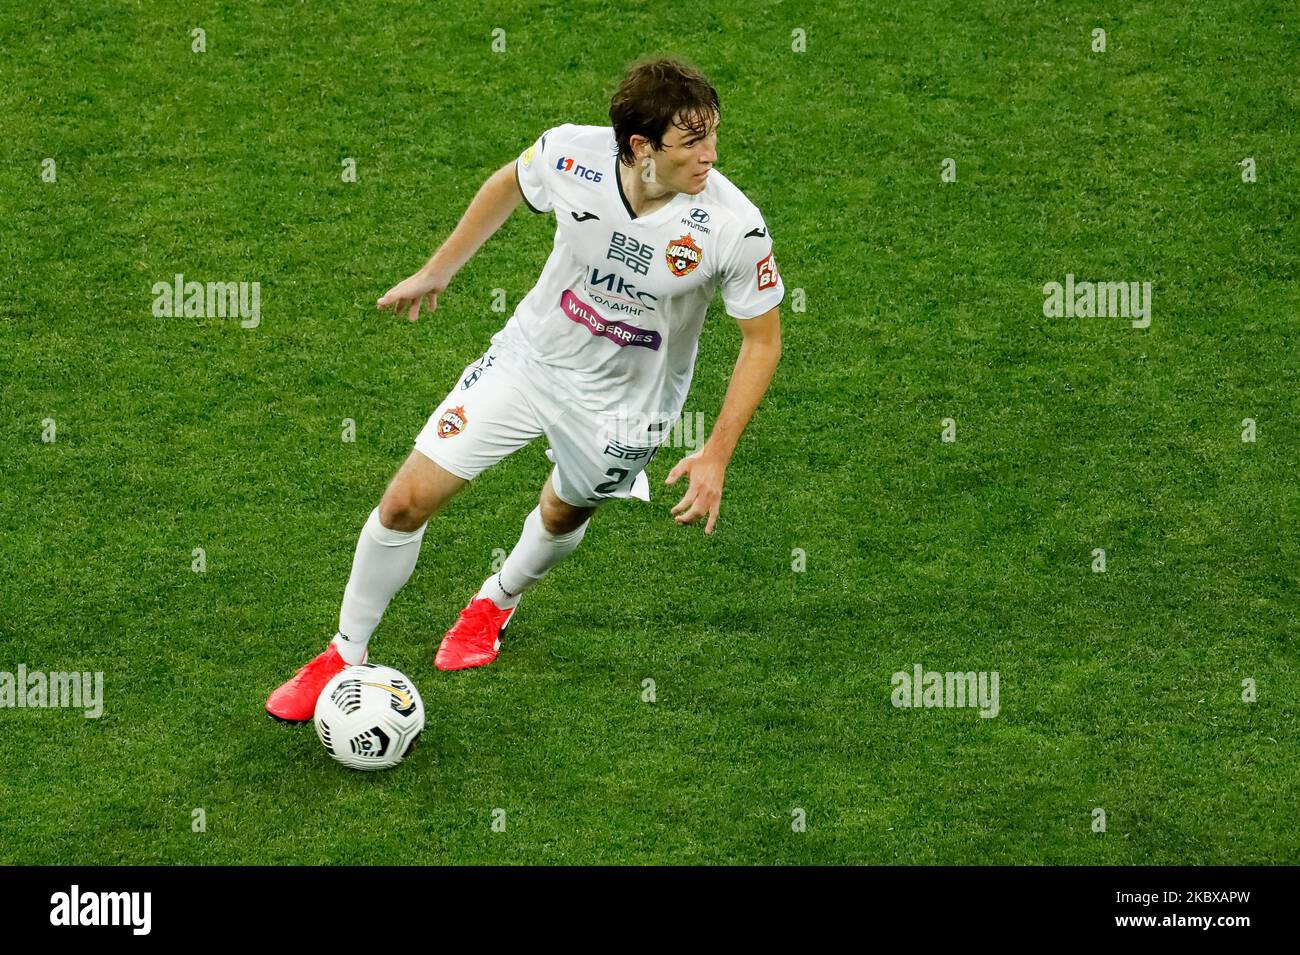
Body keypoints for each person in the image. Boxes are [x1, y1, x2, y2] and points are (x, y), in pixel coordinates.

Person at [266, 55, 784, 722]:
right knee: (404, 501)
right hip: (530, 358)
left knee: (565, 512)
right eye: (693, 141)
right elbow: (510, 182)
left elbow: (761, 341)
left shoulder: (732, 226)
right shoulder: (574, 156)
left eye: (713, 134)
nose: (711, 154)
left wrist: (716, 453)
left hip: (625, 410)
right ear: (640, 148)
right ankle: (344, 652)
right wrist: (438, 270)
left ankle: (497, 600)